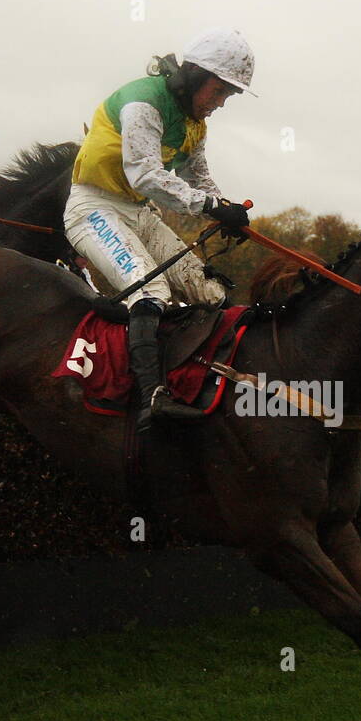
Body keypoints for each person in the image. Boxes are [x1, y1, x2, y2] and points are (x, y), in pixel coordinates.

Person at [64, 27, 255, 431]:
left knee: (211, 291)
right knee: (151, 292)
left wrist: (226, 208)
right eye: (220, 92)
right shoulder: (144, 103)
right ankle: (153, 398)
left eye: (227, 96)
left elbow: (198, 178)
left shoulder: (194, 122)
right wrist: (213, 207)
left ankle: (204, 380)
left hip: (139, 212)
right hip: (94, 208)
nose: (220, 104)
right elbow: (146, 176)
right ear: (197, 77)